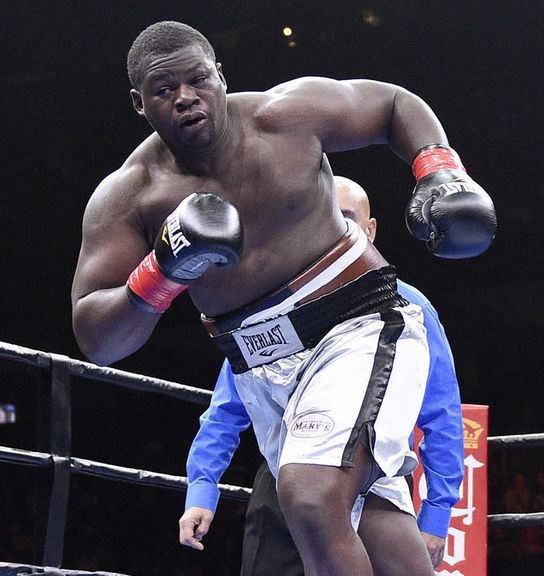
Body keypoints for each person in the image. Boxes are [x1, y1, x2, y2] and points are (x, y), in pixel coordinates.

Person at [70, 21, 496, 576]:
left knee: (311, 496)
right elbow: (94, 336)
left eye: (198, 79)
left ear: (220, 75)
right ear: (139, 103)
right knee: (376, 525)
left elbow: (392, 105)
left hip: (359, 324)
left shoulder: (285, 116)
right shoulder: (130, 195)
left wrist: (439, 171)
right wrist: (163, 272)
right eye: (164, 90)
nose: (186, 98)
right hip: (259, 369)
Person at [184, 175, 465, 576]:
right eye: (324, 217)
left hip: (369, 470)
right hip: (284, 472)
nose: (334, 228)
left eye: (346, 218)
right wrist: (203, 484)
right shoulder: (273, 301)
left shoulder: (404, 307)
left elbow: (441, 414)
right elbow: (230, 399)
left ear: (369, 230)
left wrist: (436, 514)